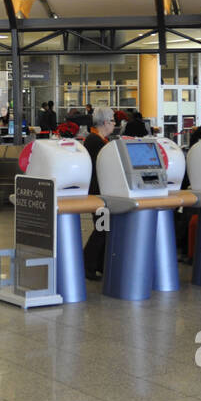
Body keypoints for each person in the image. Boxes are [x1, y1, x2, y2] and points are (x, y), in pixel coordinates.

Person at [83, 107, 116, 280]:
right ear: (105, 123)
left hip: (102, 192)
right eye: (112, 121)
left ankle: (98, 265)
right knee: (102, 229)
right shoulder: (95, 142)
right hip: (98, 194)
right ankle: (88, 264)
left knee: (104, 228)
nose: (114, 124)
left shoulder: (99, 140)